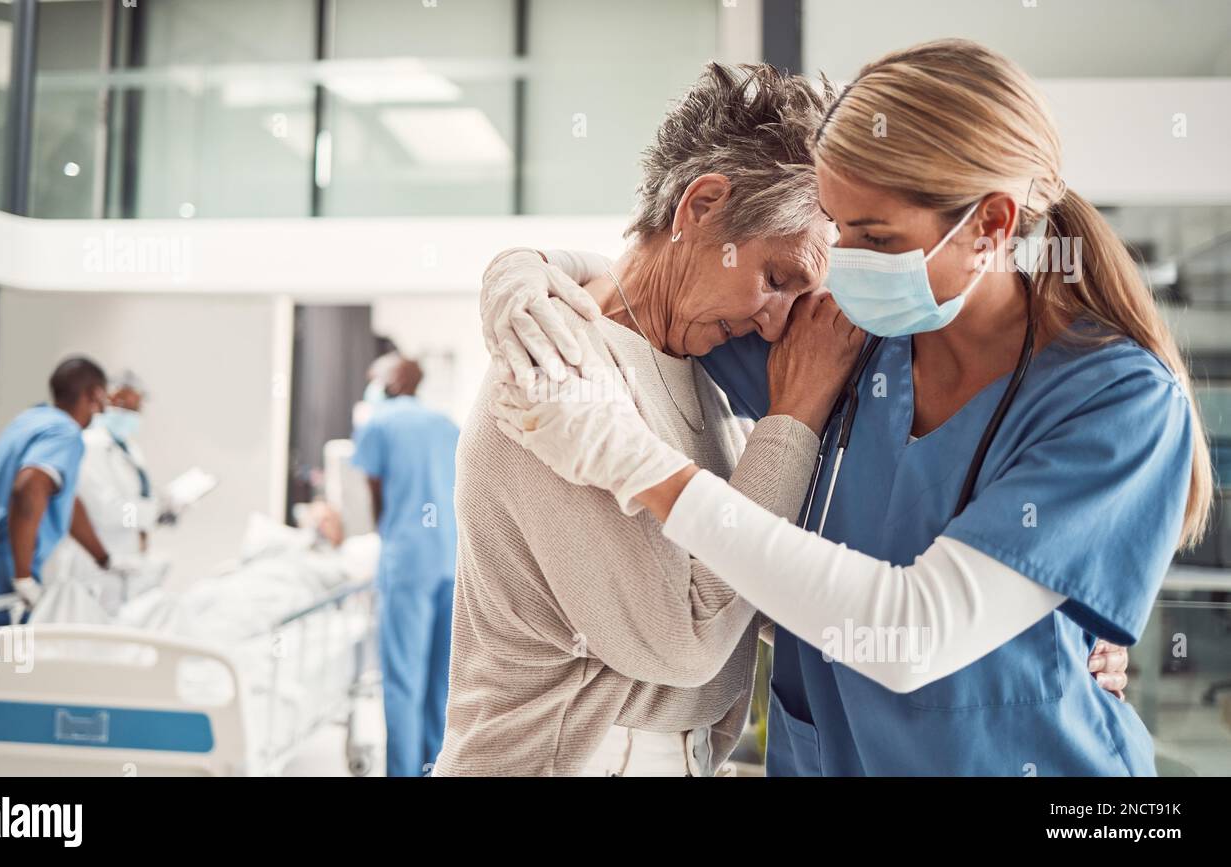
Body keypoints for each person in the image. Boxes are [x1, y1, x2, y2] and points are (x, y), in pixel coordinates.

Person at [487, 41, 1202, 776]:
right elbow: (656, 293)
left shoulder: (1116, 402)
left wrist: (640, 469)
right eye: (837, 222)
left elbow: (910, 634)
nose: (844, 261)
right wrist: (525, 273)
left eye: (875, 236)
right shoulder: (847, 344)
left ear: (990, 225)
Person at [0, 357, 115, 646]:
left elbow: (66, 503)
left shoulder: (31, 420)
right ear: (93, 394)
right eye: (104, 397)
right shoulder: (65, 434)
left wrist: (104, 558)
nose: (104, 408)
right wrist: (23, 576)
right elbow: (28, 488)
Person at [352, 352, 460, 776]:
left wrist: (389, 532)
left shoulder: (377, 423)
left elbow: (376, 495)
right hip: (451, 558)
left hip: (408, 560)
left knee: (401, 680)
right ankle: (436, 768)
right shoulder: (447, 424)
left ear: (392, 381)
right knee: (440, 683)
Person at [49, 370, 162, 613]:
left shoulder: (129, 448)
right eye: (122, 404)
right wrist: (152, 511)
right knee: (93, 637)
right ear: (105, 400)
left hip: (124, 563)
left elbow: (138, 499)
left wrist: (163, 507)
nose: (128, 414)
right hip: (94, 566)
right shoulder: (89, 445)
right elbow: (107, 510)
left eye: (135, 408)